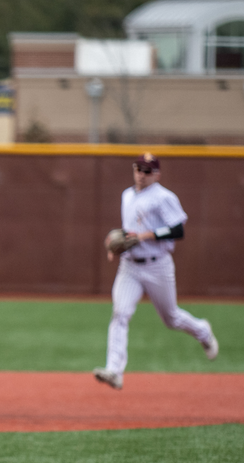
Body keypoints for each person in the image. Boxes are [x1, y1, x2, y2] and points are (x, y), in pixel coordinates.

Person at [93, 153, 218, 390]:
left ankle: (202, 331)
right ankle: (114, 371)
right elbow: (130, 233)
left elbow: (178, 230)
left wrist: (146, 235)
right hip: (130, 266)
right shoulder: (127, 195)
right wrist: (116, 248)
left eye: (147, 170)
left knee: (170, 318)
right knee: (120, 313)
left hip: (157, 265)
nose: (141, 174)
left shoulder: (164, 197)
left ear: (157, 174)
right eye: (138, 169)